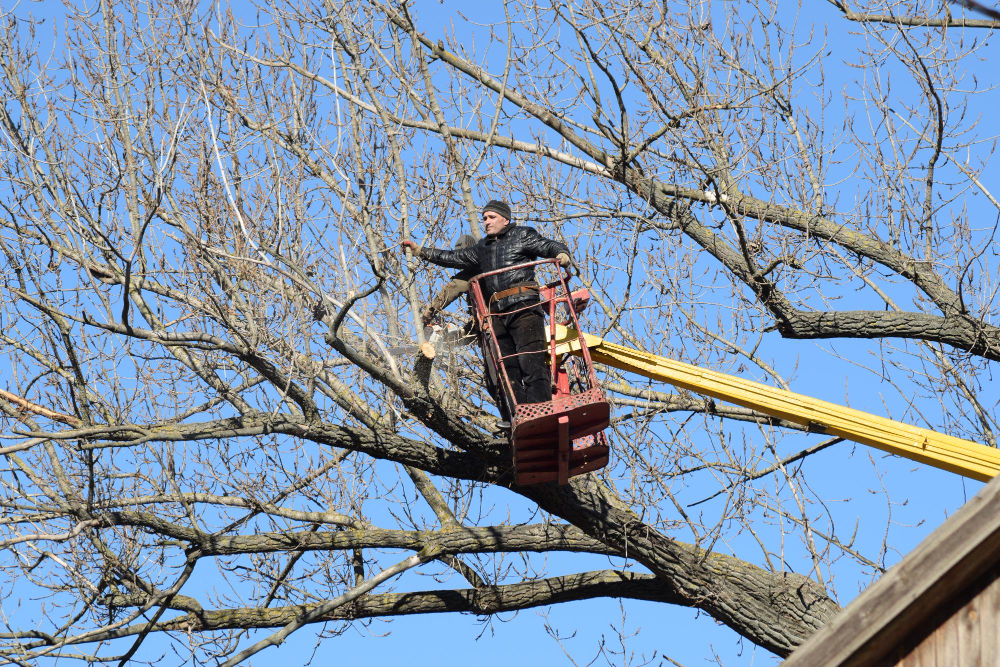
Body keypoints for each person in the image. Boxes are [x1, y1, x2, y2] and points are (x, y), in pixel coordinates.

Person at [401, 200, 572, 421]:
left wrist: (562, 252)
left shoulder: (522, 235)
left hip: (524, 307)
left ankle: (540, 414)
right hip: (498, 315)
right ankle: (520, 417)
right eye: (484, 218)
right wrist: (420, 252)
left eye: (491, 217)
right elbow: (451, 258)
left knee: (532, 362)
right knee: (507, 369)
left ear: (505, 219)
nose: (486, 222)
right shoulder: (483, 248)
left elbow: (546, 245)